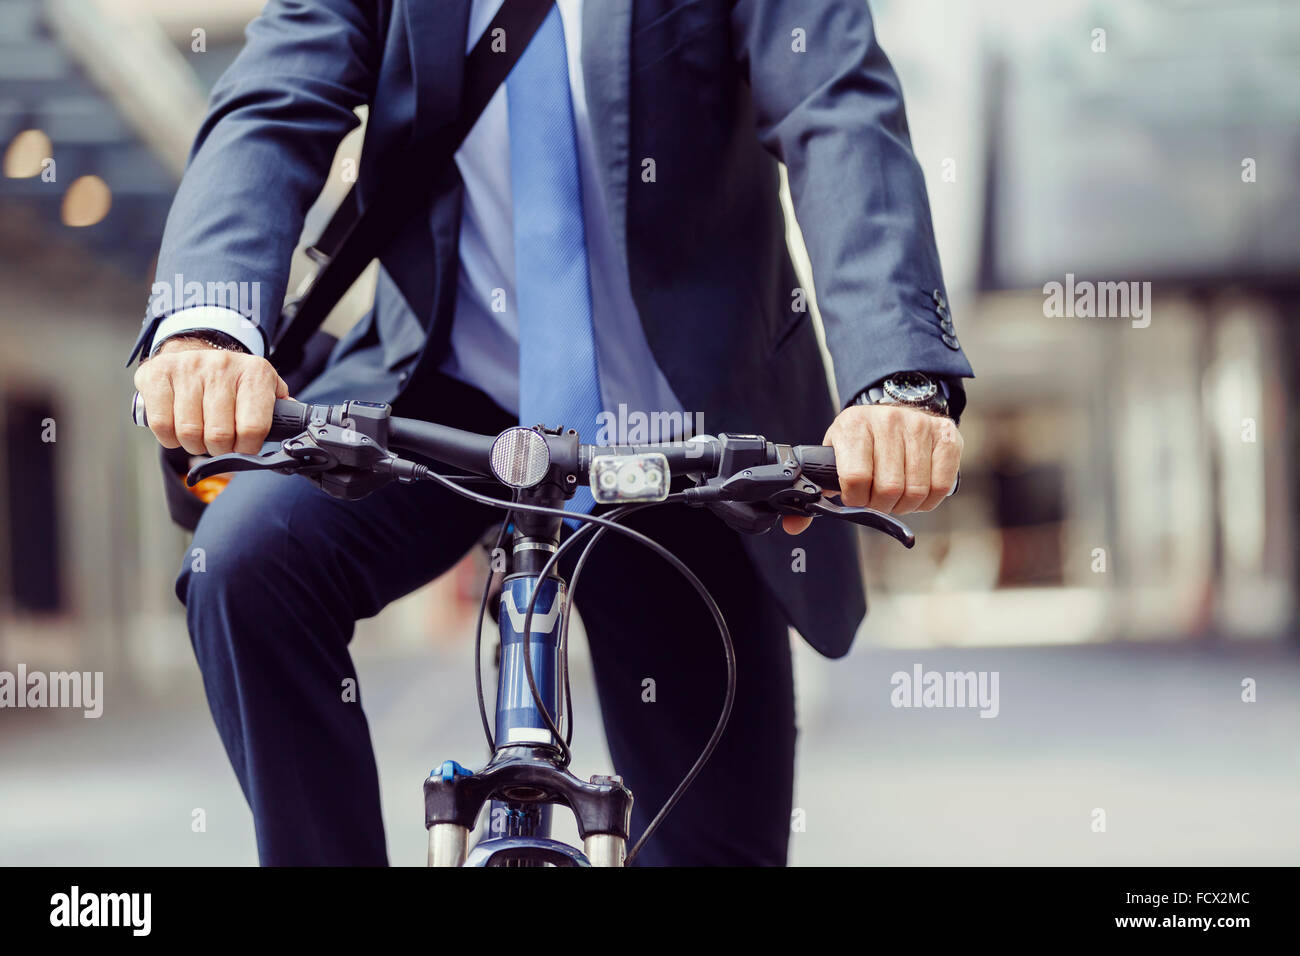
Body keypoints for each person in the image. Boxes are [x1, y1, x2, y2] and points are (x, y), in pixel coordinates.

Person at [129, 0, 973, 866]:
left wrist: (897, 379)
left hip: (682, 424)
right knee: (249, 560)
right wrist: (208, 327)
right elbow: (275, 98)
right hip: (445, 391)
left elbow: (836, 105)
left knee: (713, 848)